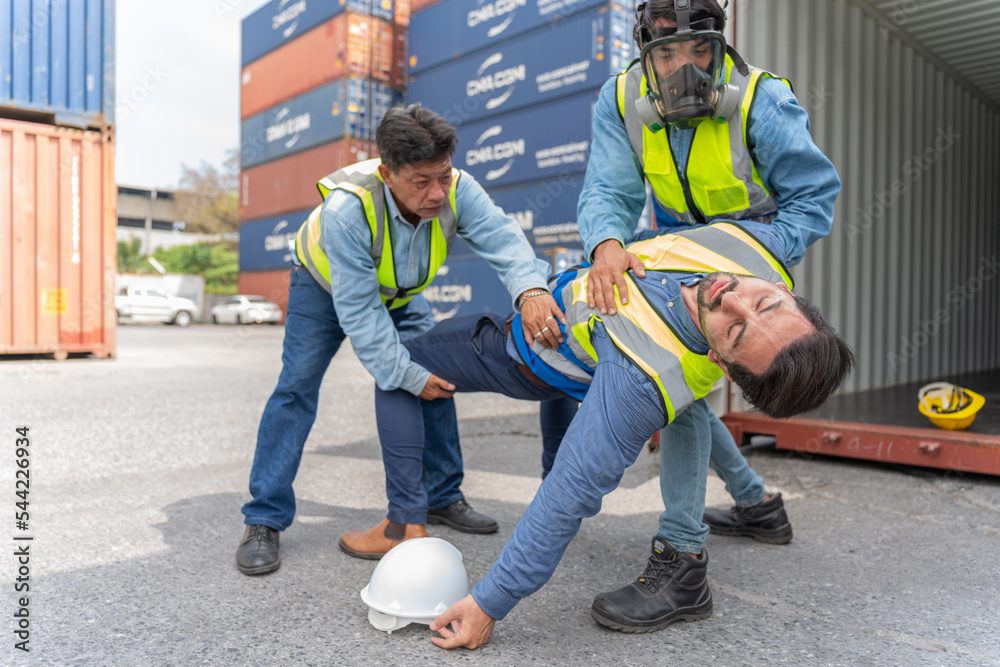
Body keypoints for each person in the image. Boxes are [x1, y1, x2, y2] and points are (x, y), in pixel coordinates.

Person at [380, 221, 853, 648]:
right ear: (784, 287)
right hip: (583, 354)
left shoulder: (638, 380)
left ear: (721, 363)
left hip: (529, 351)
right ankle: (756, 504)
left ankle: (406, 519)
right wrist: (606, 239)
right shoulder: (759, 247)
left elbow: (570, 490)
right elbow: (812, 196)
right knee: (685, 408)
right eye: (765, 303)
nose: (730, 297)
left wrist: (489, 602)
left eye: (734, 331)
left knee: (401, 364)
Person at [575, 0, 842, 627]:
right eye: (666, 53)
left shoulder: (758, 99)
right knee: (688, 394)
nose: (685, 66)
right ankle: (757, 506)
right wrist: (606, 242)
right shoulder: (620, 100)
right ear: (645, 52)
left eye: (700, 49)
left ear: (720, 42)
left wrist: (740, 255)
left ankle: (684, 562)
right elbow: (610, 192)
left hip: (747, 261)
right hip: (671, 257)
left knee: (681, 392)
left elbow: (813, 200)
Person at [235, 104, 568, 574]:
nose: (437, 194)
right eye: (421, 182)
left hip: (401, 292)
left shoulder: (458, 188)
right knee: (297, 389)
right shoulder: (347, 211)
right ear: (388, 173)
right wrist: (402, 372)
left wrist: (531, 290)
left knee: (437, 376)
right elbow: (362, 313)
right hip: (326, 289)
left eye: (444, 177)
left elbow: (503, 240)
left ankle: (441, 497)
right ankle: (264, 518)